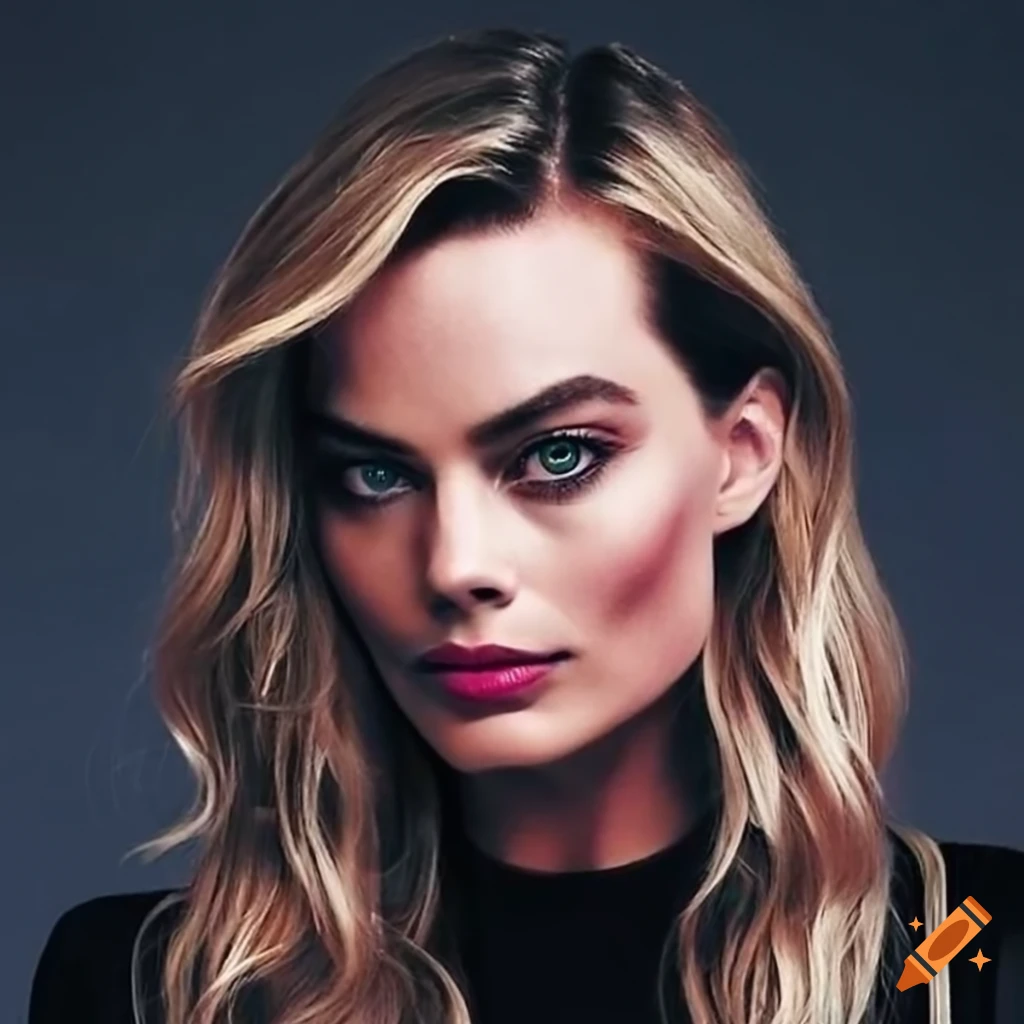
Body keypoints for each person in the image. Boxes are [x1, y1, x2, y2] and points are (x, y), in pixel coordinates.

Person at [27, 27, 1024, 1024]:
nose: (457, 564)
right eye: (375, 473)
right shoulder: (149, 991)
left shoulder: (965, 946)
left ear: (744, 452)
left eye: (557, 455)